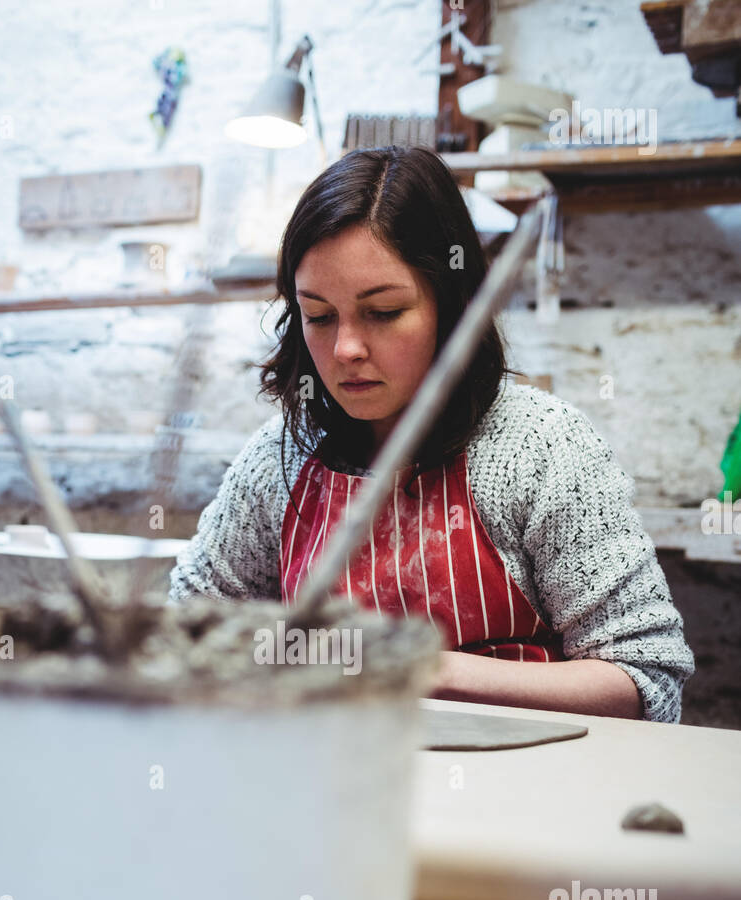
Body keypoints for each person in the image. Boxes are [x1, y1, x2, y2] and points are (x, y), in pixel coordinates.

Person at [168, 146, 694, 721]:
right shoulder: (281, 457)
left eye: (384, 311)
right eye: (319, 316)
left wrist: (416, 666)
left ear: (454, 305)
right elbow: (185, 631)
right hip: (332, 781)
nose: (345, 349)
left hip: (528, 789)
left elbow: (647, 679)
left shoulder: (540, 446)